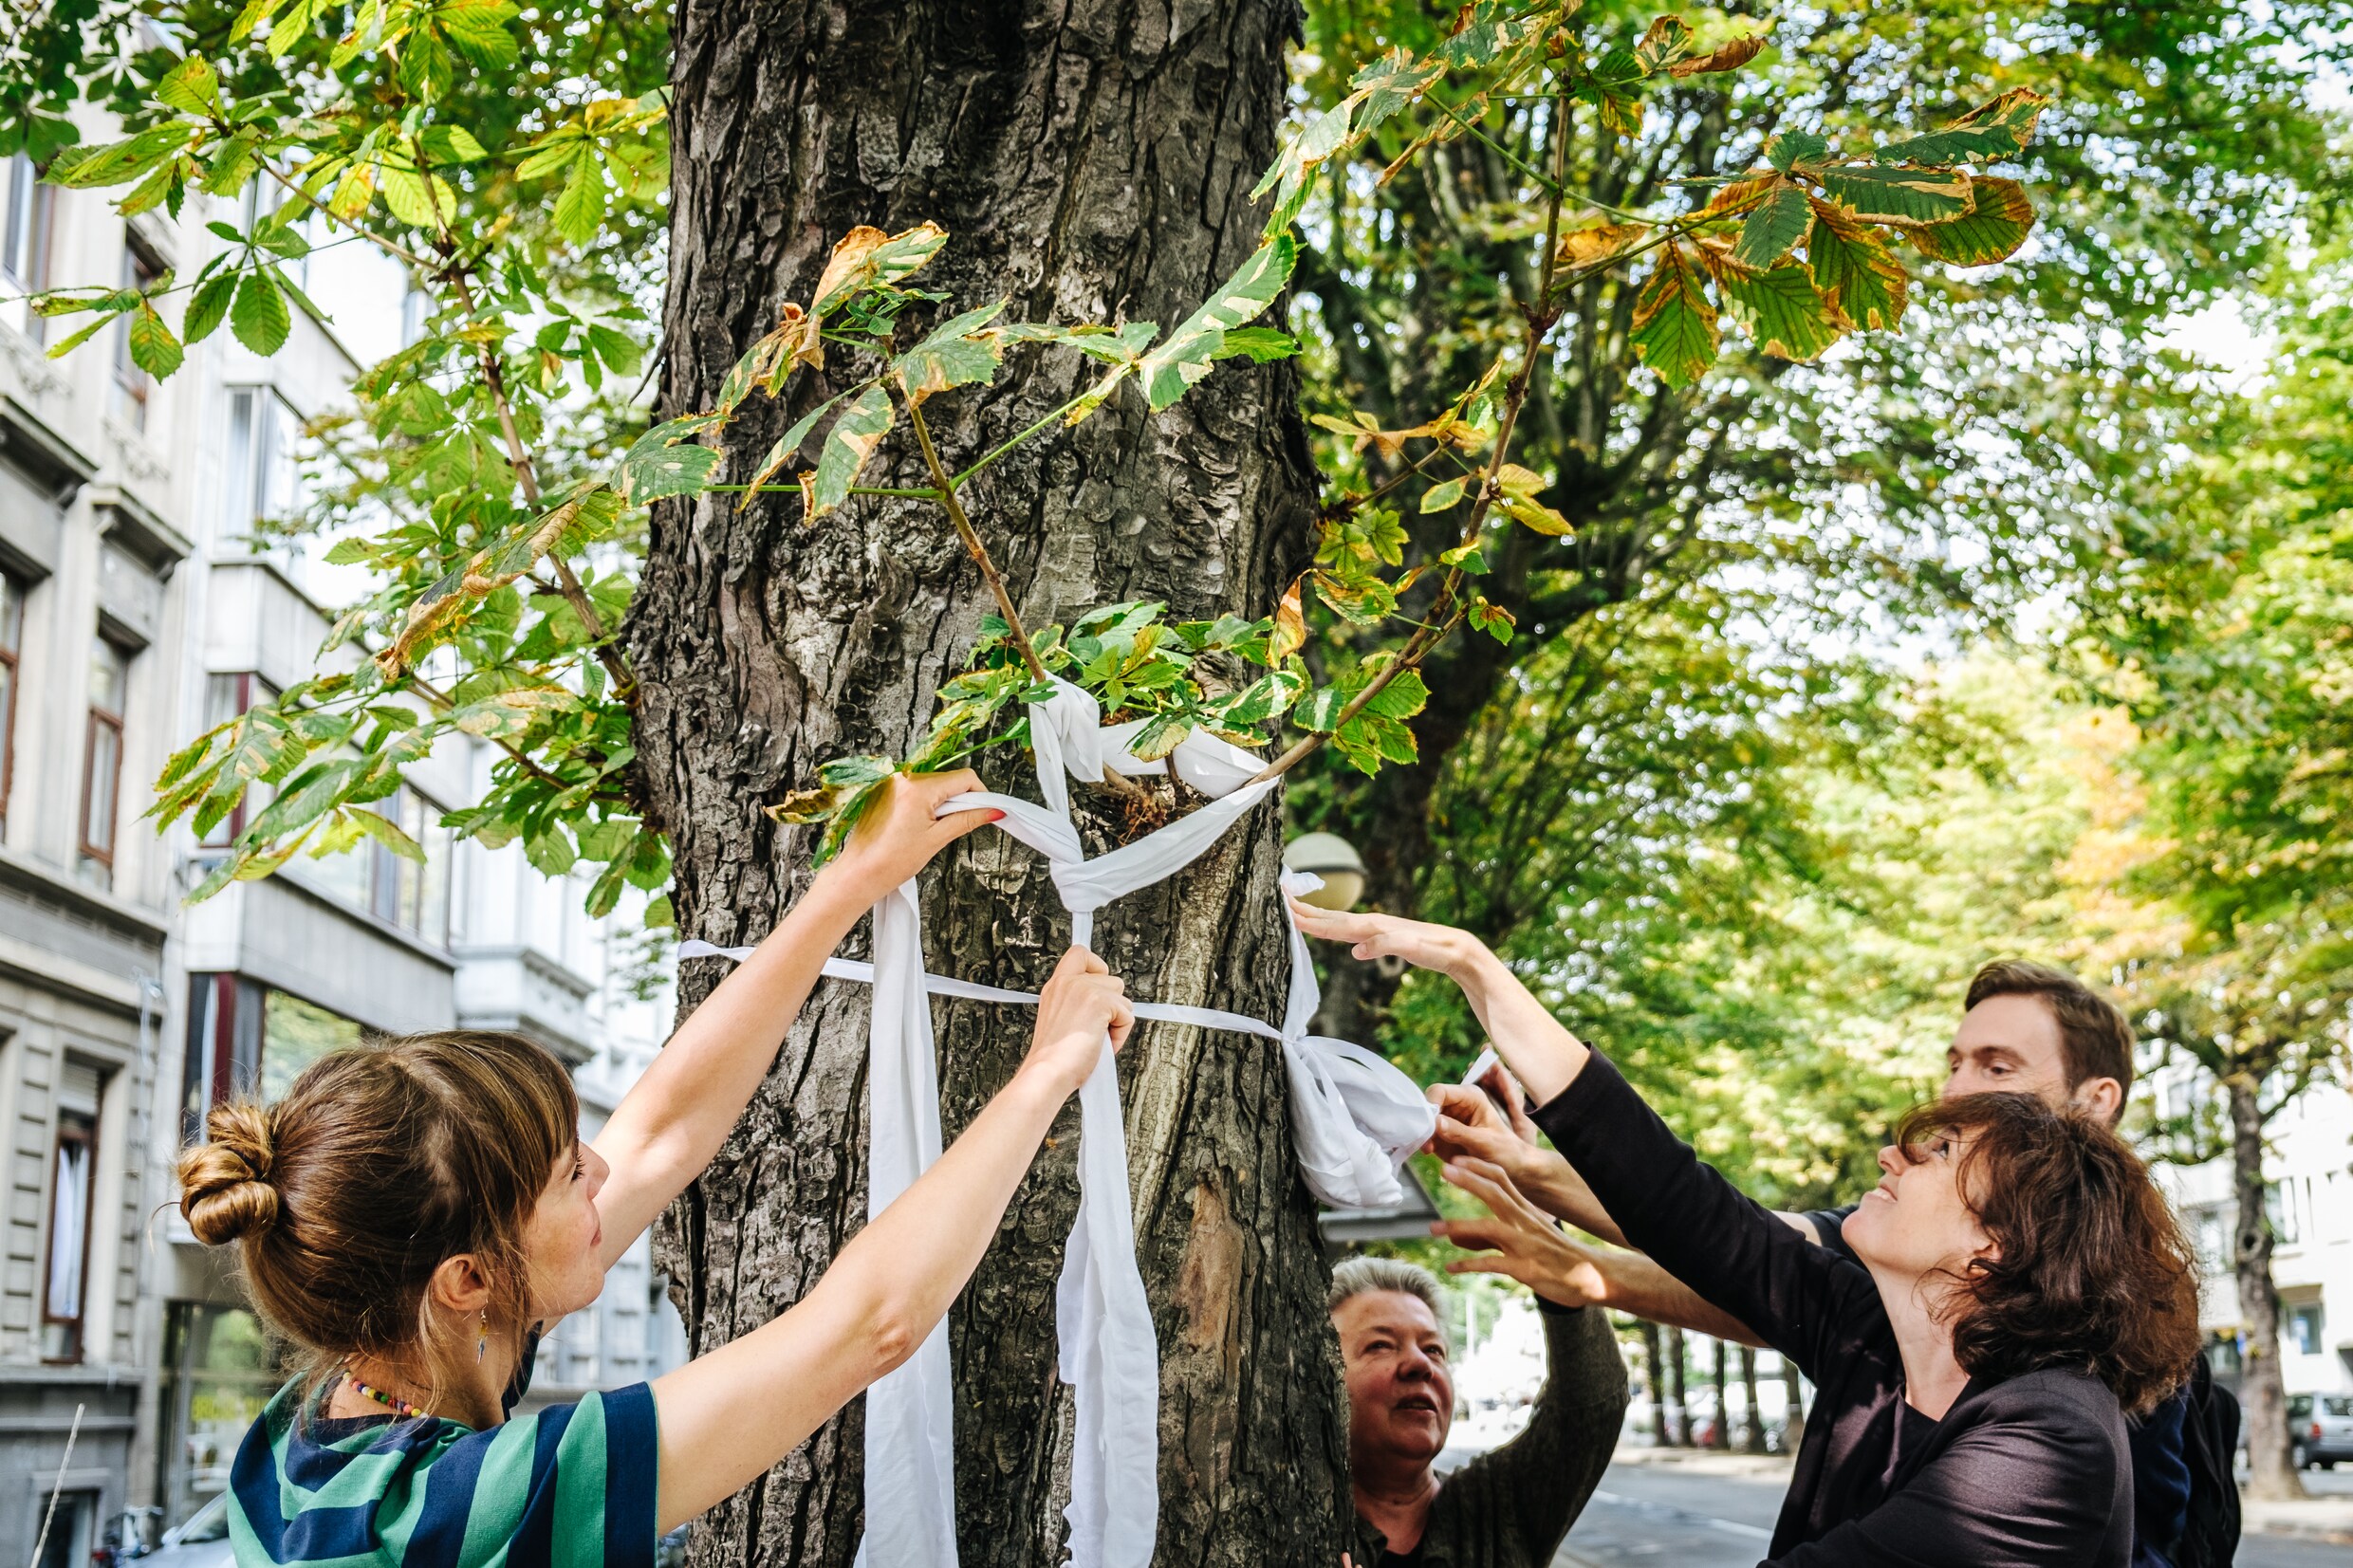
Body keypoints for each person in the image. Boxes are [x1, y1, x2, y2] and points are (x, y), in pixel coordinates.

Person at [182, 771, 1138, 1568]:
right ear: (467, 1280)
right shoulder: (454, 1514)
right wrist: (1046, 1070)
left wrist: (850, 880)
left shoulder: (340, 1409)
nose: (599, 1168)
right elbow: (866, 1331)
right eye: (563, 1176)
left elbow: (663, 1133)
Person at [1297, 903, 2203, 1567]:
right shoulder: (1870, 1330)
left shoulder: (2052, 1438)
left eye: (1938, 1152)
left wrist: (1574, 1257)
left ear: (1994, 1247)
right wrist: (1481, 975)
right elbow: (1691, 1208)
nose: (1894, 1151)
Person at [1332, 1249, 1624, 1568]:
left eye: (1433, 1349)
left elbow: (1591, 1405)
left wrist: (1554, 1260)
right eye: (1380, 1345)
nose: (1421, 1363)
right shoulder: (1298, 1519)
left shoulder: (1499, 1503)